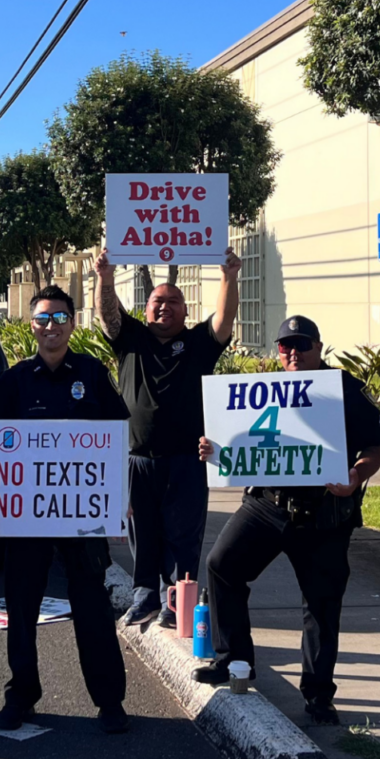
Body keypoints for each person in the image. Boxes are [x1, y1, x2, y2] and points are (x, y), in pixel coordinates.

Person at [194, 315, 380, 725]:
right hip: (266, 505)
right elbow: (237, 442)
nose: (293, 353)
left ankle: (319, 695)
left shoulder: (343, 390)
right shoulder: (259, 391)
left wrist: (355, 477)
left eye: (302, 345)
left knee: (321, 606)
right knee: (221, 567)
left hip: (324, 515)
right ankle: (233, 663)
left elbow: (375, 448)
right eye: (286, 346)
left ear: (319, 347)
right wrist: (215, 449)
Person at [0, 285, 131, 735]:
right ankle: (21, 696)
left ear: (73, 322)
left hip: (81, 517)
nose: (52, 327)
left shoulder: (91, 372)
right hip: (25, 520)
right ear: (32, 325)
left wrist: (115, 505)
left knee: (91, 607)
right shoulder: (14, 381)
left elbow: (117, 435)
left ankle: (109, 703)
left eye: (60, 318)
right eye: (44, 319)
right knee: (22, 607)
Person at [93, 247, 241, 627]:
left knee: (183, 537)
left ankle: (176, 602)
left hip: (187, 460)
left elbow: (224, 320)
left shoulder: (198, 344)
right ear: (146, 310)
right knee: (142, 534)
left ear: (186, 312)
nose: (165, 307)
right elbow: (108, 316)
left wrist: (229, 276)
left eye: (173, 301)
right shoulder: (130, 339)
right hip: (137, 458)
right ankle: (145, 596)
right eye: (158, 301)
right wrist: (105, 279)